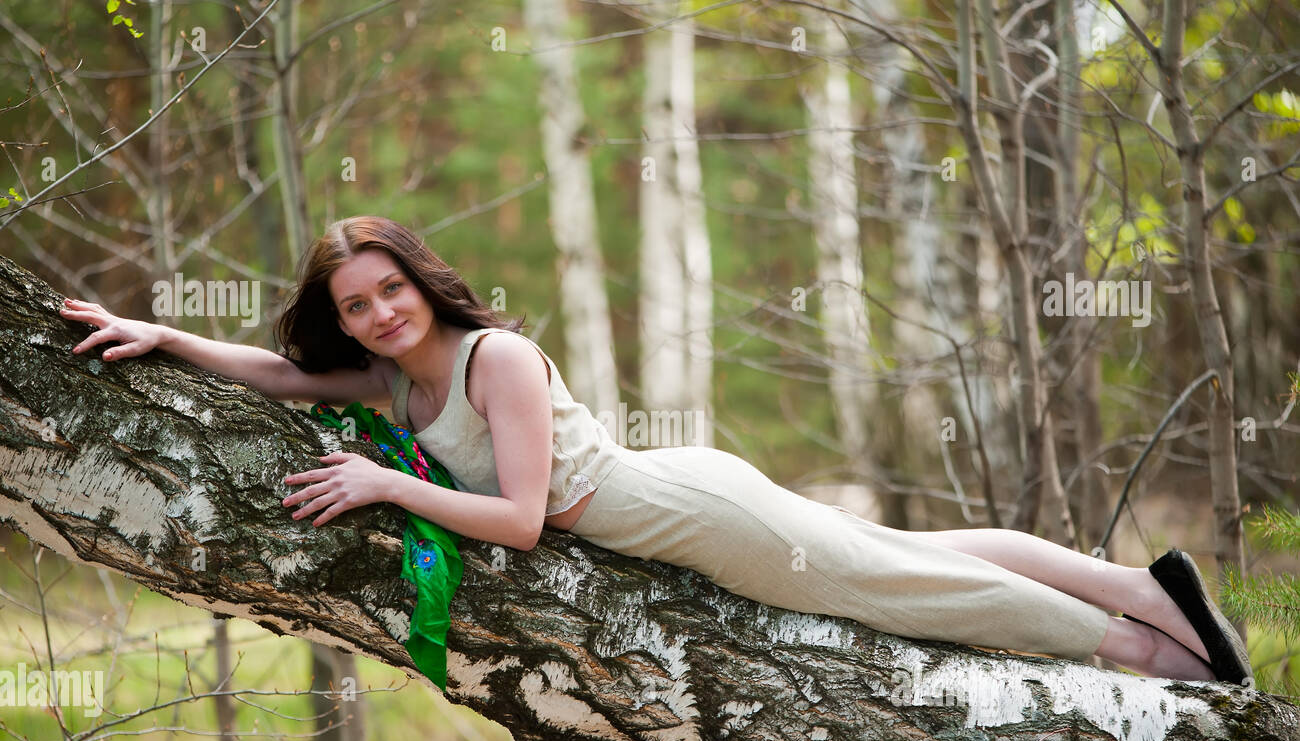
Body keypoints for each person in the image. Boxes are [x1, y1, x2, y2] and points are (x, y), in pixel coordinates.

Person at [59, 216, 1253, 686]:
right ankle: (1132, 586)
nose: (376, 315)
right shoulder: (396, 374)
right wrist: (161, 333)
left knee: (906, 588)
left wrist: (380, 482)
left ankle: (1152, 655)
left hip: (695, 516)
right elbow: (276, 371)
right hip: (687, 493)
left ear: (421, 280)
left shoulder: (494, 360)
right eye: (357, 306)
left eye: (389, 291)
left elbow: (524, 517)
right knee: (903, 545)